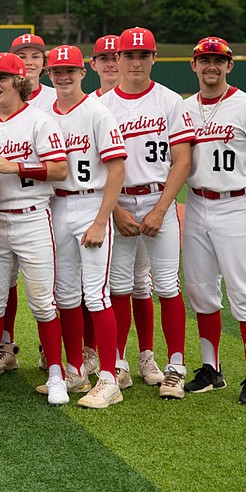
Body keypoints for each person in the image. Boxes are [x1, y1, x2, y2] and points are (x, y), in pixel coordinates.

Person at [0, 52, 69, 404]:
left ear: (19, 82)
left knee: (42, 302)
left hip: (33, 216)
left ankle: (56, 375)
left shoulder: (40, 120)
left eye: (2, 78)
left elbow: (59, 170)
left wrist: (17, 166)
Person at [181, 37, 246, 405]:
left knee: (244, 293)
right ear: (194, 65)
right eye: (205, 60)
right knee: (201, 291)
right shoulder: (184, 108)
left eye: (218, 61)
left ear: (229, 66)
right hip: (196, 204)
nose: (211, 66)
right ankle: (212, 369)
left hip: (237, 205)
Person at [97, 27, 195, 399]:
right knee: (120, 287)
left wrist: (161, 209)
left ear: (154, 58)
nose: (135, 62)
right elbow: (94, 165)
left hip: (159, 200)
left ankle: (176, 367)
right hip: (119, 205)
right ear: (116, 59)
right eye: (128, 55)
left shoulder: (171, 102)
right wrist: (116, 210)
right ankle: (119, 363)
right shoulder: (102, 106)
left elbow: (182, 161)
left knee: (167, 285)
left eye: (143, 55)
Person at [44, 45, 126, 409]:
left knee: (96, 294)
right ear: (49, 75)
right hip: (58, 205)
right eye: (56, 71)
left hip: (91, 202)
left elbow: (117, 169)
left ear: (83, 72)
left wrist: (101, 219)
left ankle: (108, 379)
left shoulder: (97, 112)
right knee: (64, 295)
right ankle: (75, 370)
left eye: (69, 70)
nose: (63, 76)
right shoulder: (43, 113)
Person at [89, 34, 154, 388]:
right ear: (93, 64)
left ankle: (146, 355)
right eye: (105, 57)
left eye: (118, 56)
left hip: (149, 200)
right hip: (110, 205)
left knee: (143, 284)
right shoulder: (92, 106)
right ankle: (113, 359)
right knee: (112, 286)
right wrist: (112, 212)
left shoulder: (154, 100)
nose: (112, 62)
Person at [0, 32, 59, 373]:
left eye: (36, 54)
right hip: (4, 206)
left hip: (48, 203)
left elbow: (59, 165)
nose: (30, 59)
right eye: (23, 54)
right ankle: (3, 349)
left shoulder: (53, 101)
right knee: (2, 286)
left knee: (56, 289)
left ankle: (55, 358)